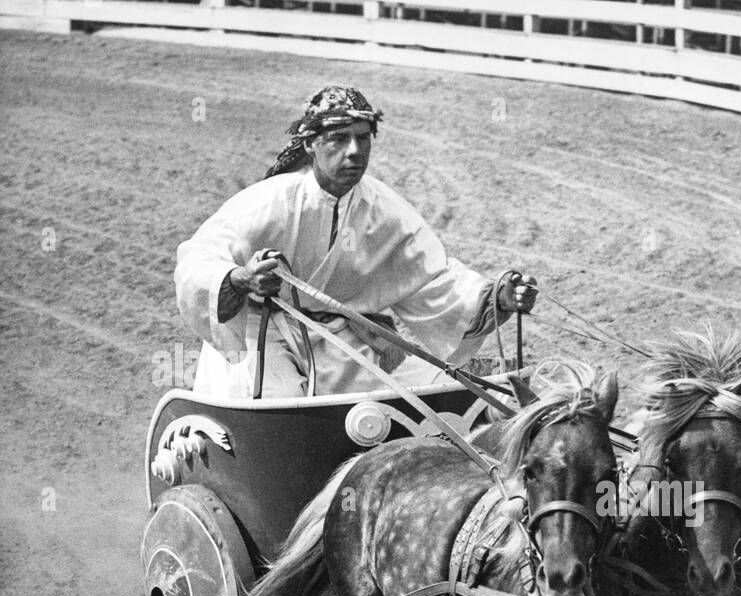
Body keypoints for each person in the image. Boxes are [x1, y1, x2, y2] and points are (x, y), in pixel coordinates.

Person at [174, 86, 537, 398]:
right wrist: (241, 279)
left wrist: (497, 298)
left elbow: (432, 280)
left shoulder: (385, 210)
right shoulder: (268, 202)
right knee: (282, 411)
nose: (354, 151)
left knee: (430, 396)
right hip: (261, 336)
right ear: (312, 144)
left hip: (342, 342)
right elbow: (198, 261)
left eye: (363, 138)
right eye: (339, 139)